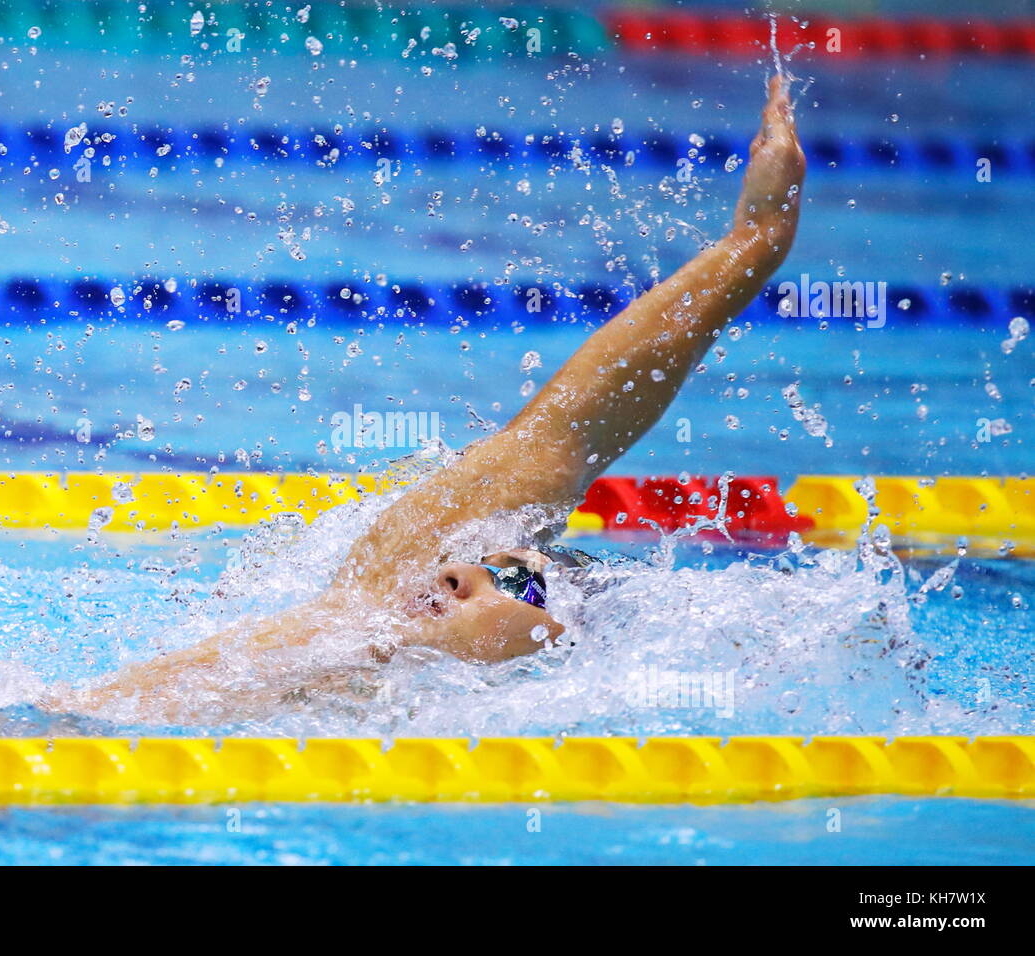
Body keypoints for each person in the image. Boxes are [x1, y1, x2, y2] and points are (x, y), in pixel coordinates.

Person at [42, 75, 805, 724]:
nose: (457, 573)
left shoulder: (515, 717)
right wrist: (753, 245)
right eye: (482, 561)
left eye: (519, 584)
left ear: (555, 645)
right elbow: (569, 430)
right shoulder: (378, 593)